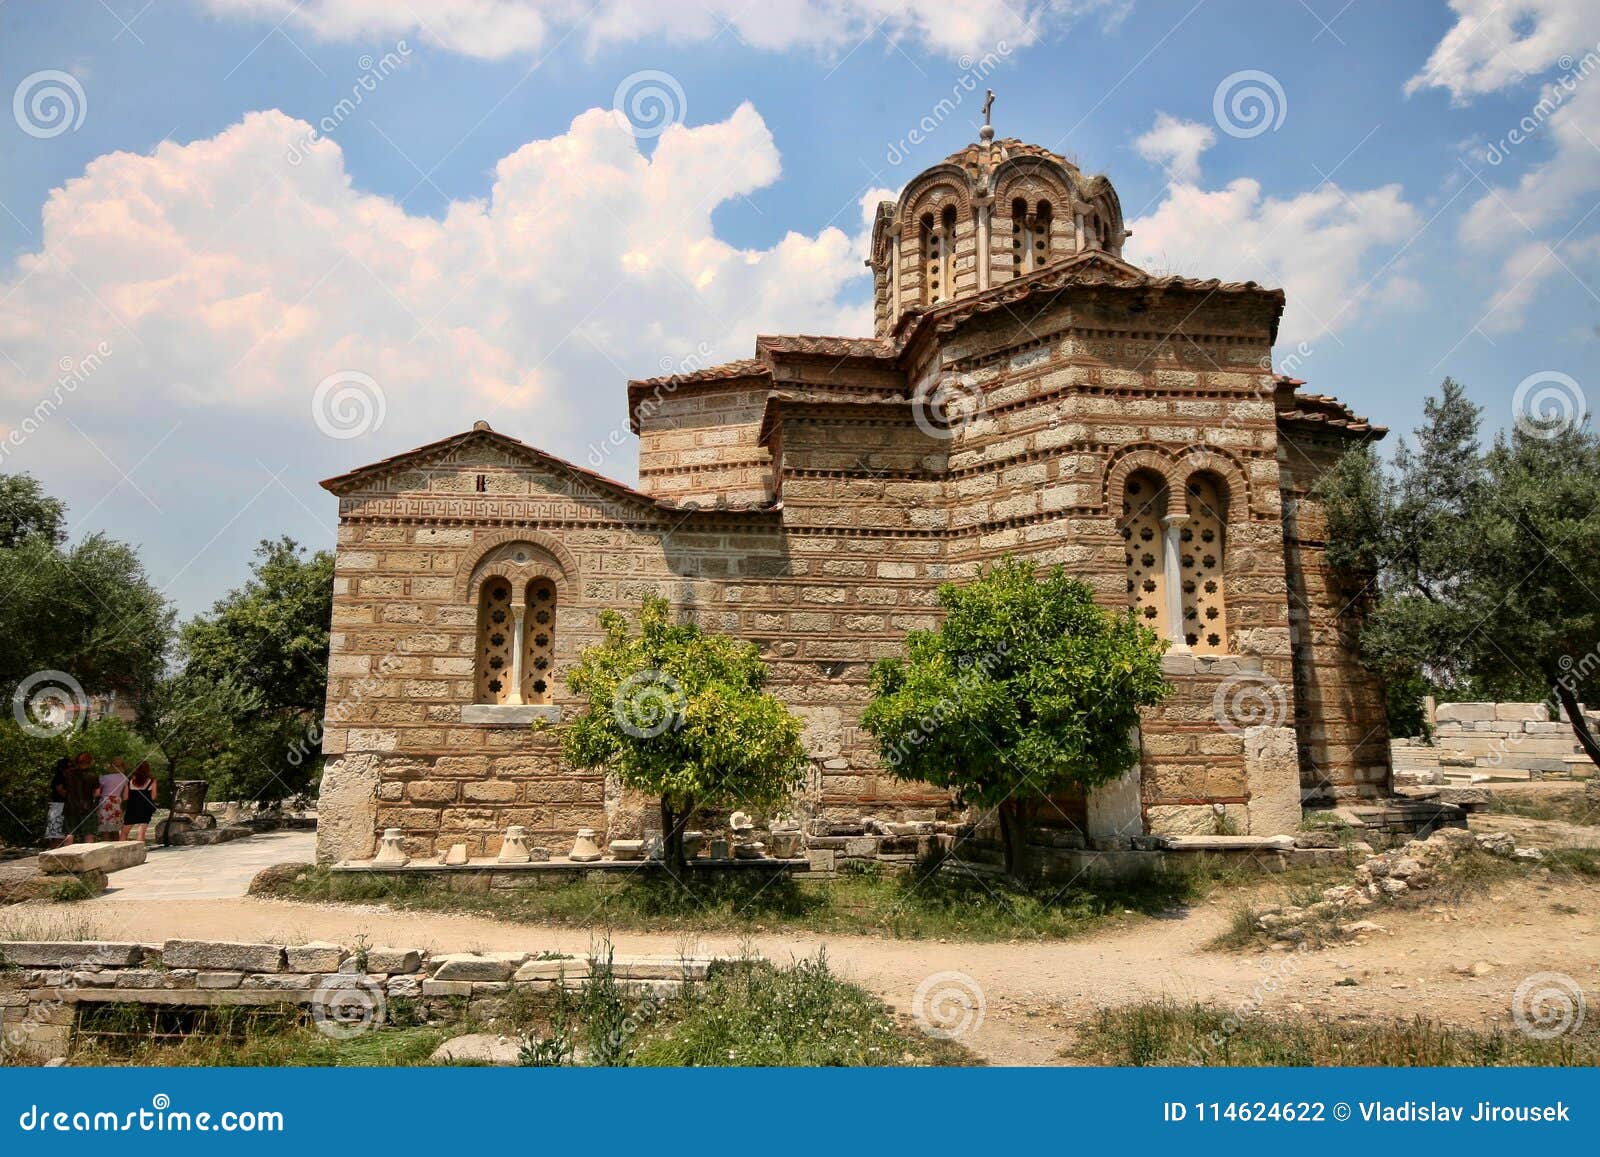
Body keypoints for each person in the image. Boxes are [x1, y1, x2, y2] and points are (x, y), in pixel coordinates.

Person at [62, 752, 99, 845]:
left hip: (70, 806)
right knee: (88, 833)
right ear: (90, 762)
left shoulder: (68, 773)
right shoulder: (93, 775)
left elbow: (63, 789)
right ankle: (88, 856)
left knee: (69, 833)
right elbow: (97, 793)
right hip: (87, 806)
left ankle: (67, 854)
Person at [124, 761, 157, 843]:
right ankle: (140, 851)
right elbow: (153, 796)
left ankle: (120, 850)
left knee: (124, 832)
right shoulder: (152, 781)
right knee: (141, 832)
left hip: (132, 807)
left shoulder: (129, 780)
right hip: (145, 808)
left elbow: (125, 797)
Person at [98, 756, 130, 841]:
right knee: (115, 828)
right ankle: (117, 848)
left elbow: (98, 792)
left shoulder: (104, 778)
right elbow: (126, 796)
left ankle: (105, 848)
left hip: (105, 801)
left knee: (105, 828)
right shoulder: (124, 779)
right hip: (117, 801)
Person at [44, 757, 70, 848]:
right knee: (56, 835)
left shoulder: (68, 777)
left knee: (65, 834)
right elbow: (60, 790)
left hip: (64, 806)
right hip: (57, 806)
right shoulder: (59, 777)